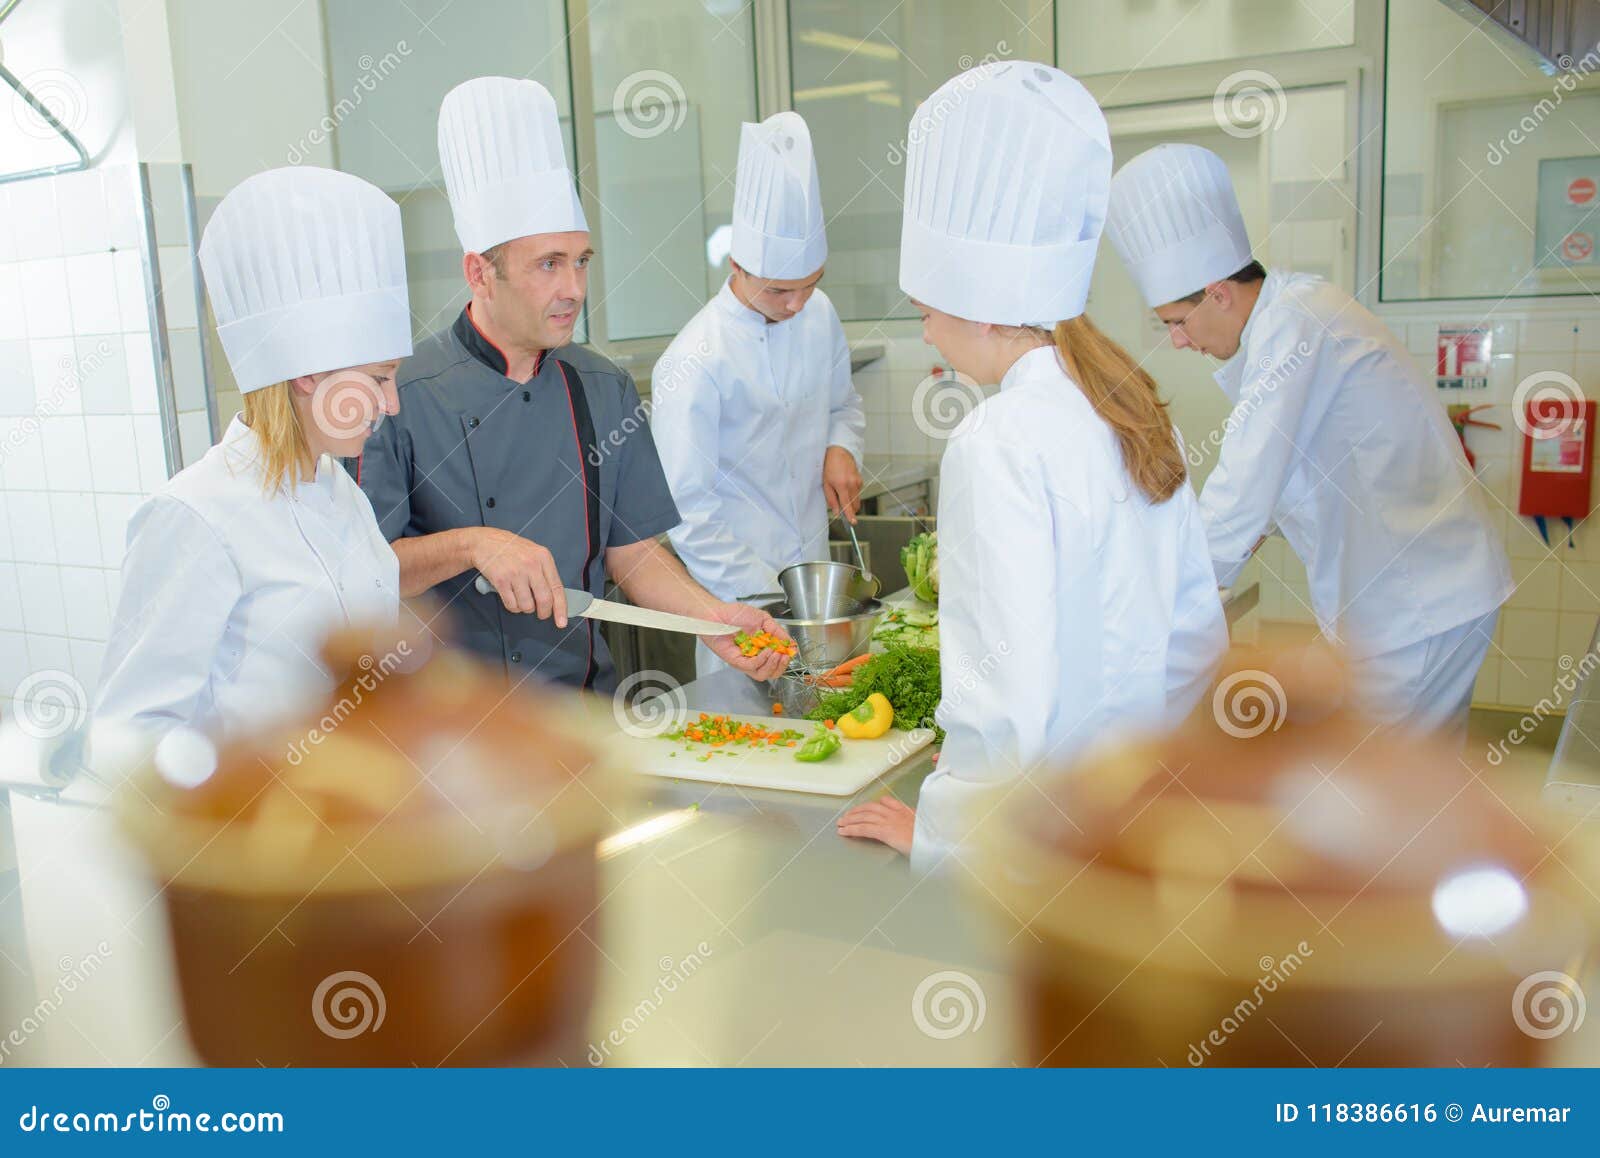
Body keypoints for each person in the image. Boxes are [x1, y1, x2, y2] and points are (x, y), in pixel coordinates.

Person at [836, 63, 1228, 868]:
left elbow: (999, 683)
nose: (926, 338)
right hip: (1131, 817)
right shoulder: (1129, 410)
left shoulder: (997, 441)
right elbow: (1194, 635)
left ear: (980, 310)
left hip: (1039, 843)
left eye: (926, 313)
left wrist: (946, 837)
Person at [356, 76, 790, 692]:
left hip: (585, 712)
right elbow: (364, 576)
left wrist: (710, 618)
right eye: (548, 265)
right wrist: (472, 545)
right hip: (451, 738)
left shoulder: (601, 387)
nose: (574, 289)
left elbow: (633, 552)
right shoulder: (399, 397)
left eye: (581, 261)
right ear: (479, 272)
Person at [1104, 143, 1512, 735]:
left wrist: (1152, 601)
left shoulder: (1297, 323)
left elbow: (1244, 486)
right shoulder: (1295, 315)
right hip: (1414, 602)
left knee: (1382, 807)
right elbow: (1276, 487)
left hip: (1417, 605)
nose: (1179, 342)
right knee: (1402, 802)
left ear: (1218, 293)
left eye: (1176, 322)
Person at [95, 167, 411, 743]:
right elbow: (130, 733)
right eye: (380, 378)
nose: (391, 403)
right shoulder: (195, 516)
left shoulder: (343, 493)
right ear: (310, 373)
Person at [652, 111, 865, 673]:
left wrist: (842, 446)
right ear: (738, 264)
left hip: (818, 595)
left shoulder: (818, 316)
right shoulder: (695, 359)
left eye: (809, 285)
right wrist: (764, 602)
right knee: (752, 739)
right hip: (739, 608)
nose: (797, 304)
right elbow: (686, 509)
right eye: (780, 290)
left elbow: (844, 403)